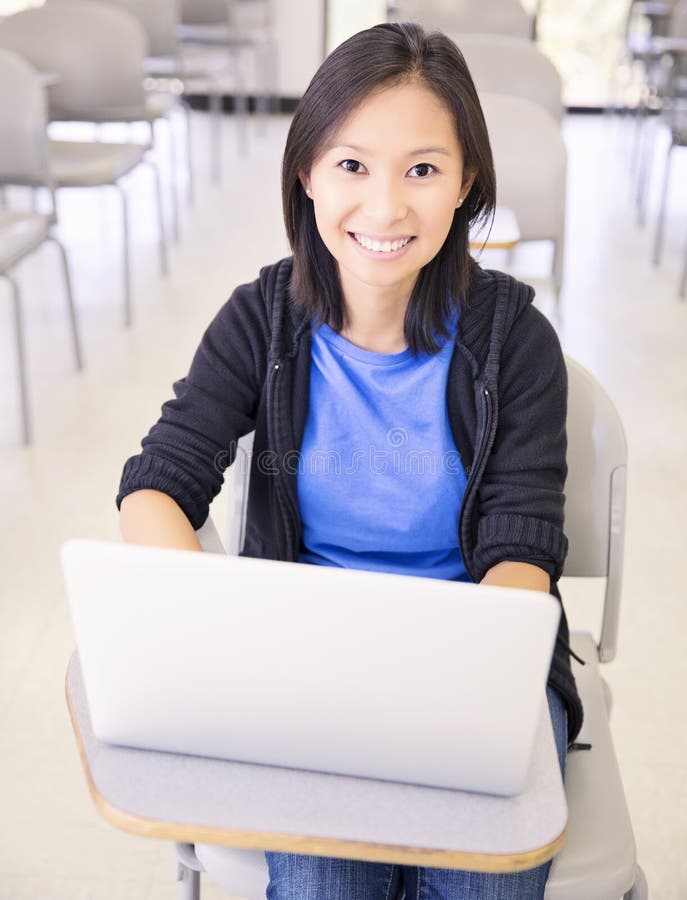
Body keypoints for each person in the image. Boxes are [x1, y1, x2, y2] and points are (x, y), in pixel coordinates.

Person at [117, 21, 582, 900]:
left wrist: (465, 689)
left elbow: (522, 547)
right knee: (325, 885)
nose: (384, 208)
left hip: (478, 671)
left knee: (486, 886)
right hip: (308, 675)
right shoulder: (260, 320)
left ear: (464, 184)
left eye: (422, 168)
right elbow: (156, 484)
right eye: (350, 165)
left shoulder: (514, 340)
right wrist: (212, 620)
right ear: (305, 174)